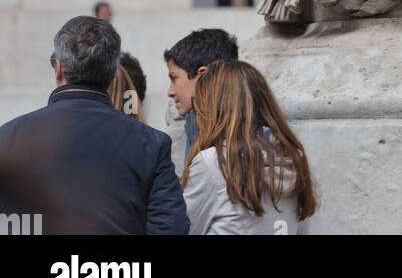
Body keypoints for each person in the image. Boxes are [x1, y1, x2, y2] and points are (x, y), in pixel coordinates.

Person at [0, 15, 188, 235]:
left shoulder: (8, 139)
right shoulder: (151, 144)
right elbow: (170, 229)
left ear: (59, 68)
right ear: (111, 74)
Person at [181, 60, 316, 234]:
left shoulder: (212, 163)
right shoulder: (292, 156)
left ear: (212, 109)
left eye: (198, 104)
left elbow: (183, 227)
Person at [164, 27, 238, 159]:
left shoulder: (236, 132)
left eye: (174, 78)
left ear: (203, 76)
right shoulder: (193, 117)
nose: (170, 92)